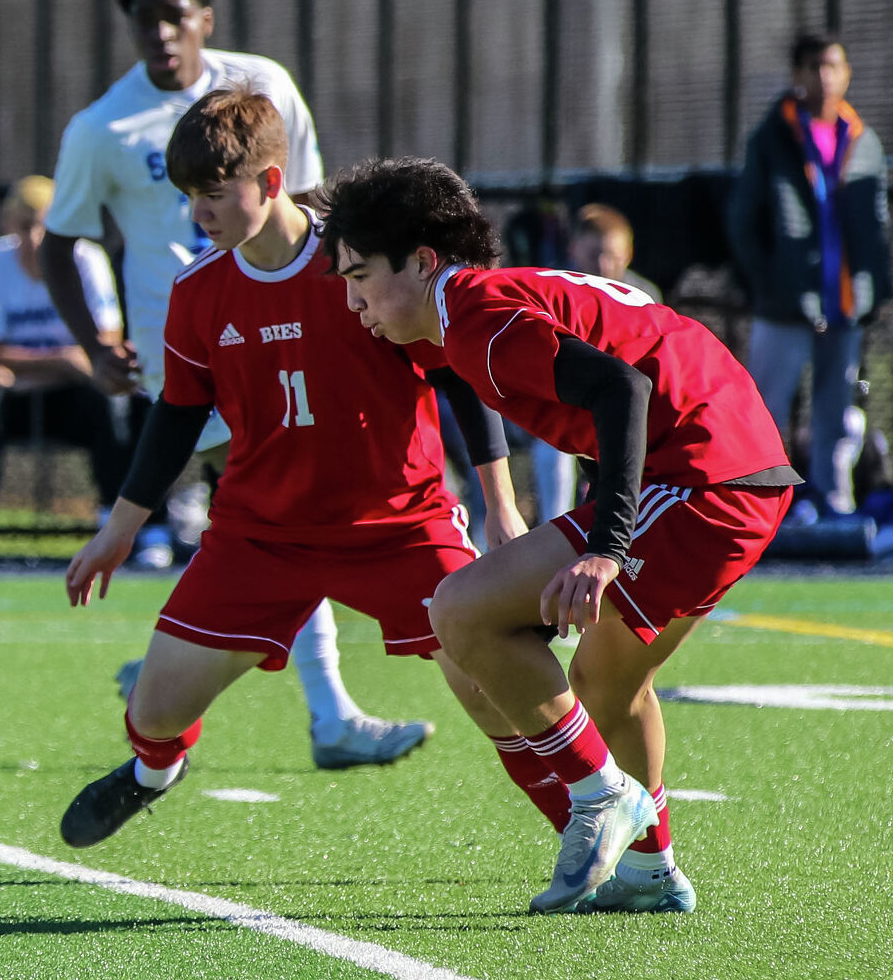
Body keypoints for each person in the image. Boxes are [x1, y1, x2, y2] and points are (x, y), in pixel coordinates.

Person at [326, 156, 798, 915]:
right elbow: (606, 394)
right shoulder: (475, 310)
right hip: (739, 469)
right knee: (608, 687)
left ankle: (600, 793)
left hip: (702, 480)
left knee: (458, 612)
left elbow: (622, 390)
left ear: (422, 261)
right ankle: (649, 871)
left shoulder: (476, 316)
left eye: (359, 276)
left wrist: (605, 548)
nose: (352, 301)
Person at [57, 91, 525, 853]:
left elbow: (457, 376)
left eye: (214, 194)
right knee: (153, 709)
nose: (198, 213)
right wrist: (119, 530)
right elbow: (177, 416)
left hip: (397, 522)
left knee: (500, 690)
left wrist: (499, 502)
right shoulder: (197, 290)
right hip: (263, 535)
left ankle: (601, 816)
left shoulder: (356, 264)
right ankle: (155, 773)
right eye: (189, 196)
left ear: (272, 181)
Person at [45, 0, 427, 768]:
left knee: (282, 515)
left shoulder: (263, 88)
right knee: (279, 512)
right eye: (144, 19)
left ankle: (183, 666)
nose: (160, 32)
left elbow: (314, 207)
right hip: (190, 344)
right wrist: (95, 344)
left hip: (283, 340)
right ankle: (320, 709)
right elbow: (60, 240)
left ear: (205, 19)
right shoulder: (102, 126)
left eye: (175, 15)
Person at [727, 33, 889, 516]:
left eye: (833, 65)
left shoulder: (863, 140)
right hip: (784, 305)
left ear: (847, 72)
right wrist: (770, 281)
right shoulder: (772, 138)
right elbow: (745, 220)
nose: (825, 76)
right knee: (765, 412)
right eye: (814, 66)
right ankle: (753, 509)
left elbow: (876, 222)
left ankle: (834, 506)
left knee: (836, 414)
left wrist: (874, 288)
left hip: (845, 303)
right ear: (797, 74)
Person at [0, 176, 132, 567]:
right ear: (7, 224)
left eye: (43, 226)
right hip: (15, 402)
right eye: (24, 226)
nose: (35, 238)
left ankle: (112, 528)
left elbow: (106, 353)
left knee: (113, 399)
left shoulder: (88, 260)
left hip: (70, 399)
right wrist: (63, 361)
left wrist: (26, 369)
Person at [524, 204, 662, 525]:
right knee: (552, 452)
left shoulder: (643, 296)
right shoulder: (553, 289)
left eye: (611, 255)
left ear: (628, 253)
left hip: (626, 409)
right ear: (573, 249)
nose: (602, 266)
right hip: (565, 406)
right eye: (593, 255)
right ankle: (555, 529)